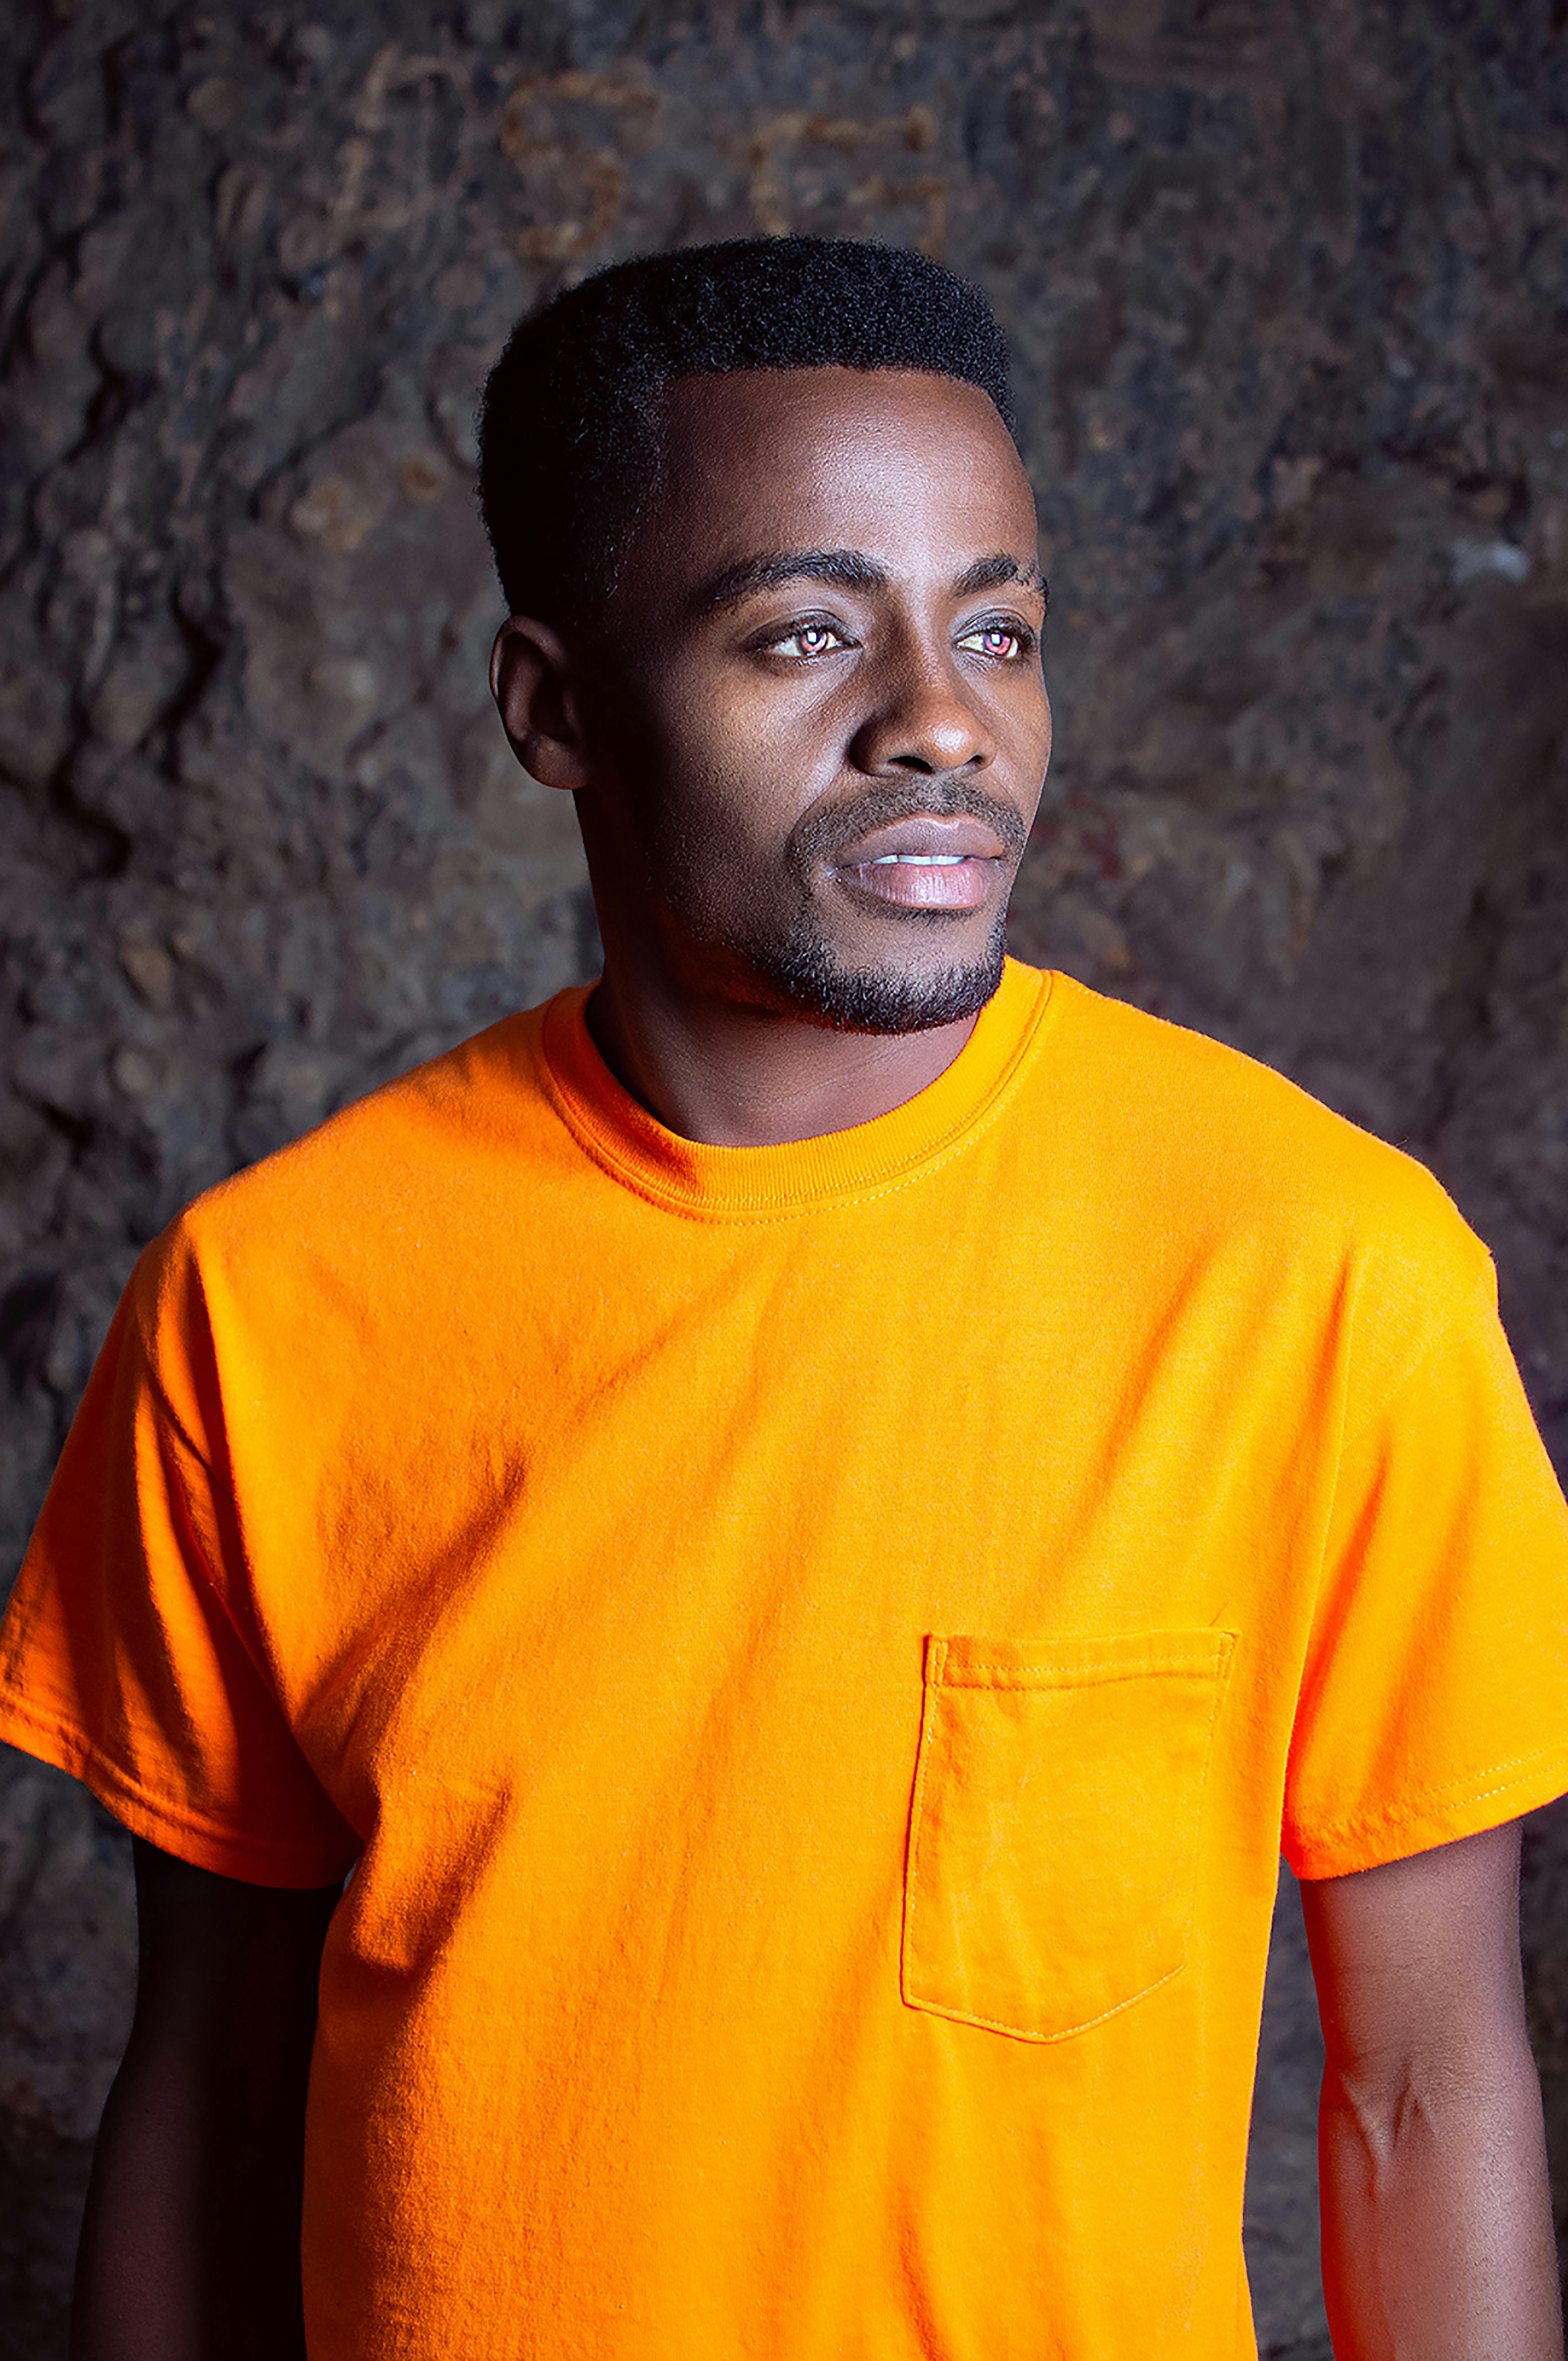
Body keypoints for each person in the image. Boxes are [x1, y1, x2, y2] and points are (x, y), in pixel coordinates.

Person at [1, 235, 1565, 2361]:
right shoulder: (264, 1304)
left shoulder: (1323, 1271)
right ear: (555, 708)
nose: (943, 720)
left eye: (999, 628)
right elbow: (203, 2087)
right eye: (808, 632)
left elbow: (1423, 2085)